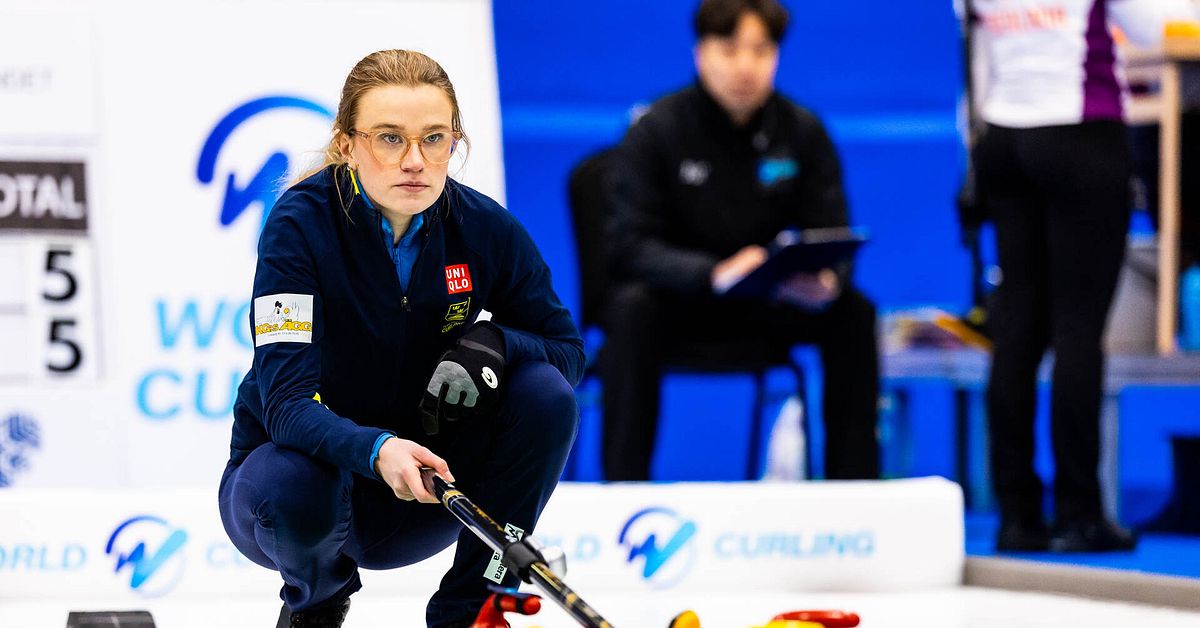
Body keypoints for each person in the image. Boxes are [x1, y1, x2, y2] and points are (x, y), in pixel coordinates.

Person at [217, 50, 584, 627]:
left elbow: (567, 353)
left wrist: (496, 344)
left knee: (546, 395)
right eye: (390, 138)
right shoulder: (298, 225)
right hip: (296, 491)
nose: (415, 161)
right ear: (347, 144)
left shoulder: (484, 227)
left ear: (454, 142)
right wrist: (378, 449)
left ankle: (473, 606)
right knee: (295, 483)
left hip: (424, 487)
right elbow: (285, 406)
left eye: (434, 139)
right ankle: (316, 606)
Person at [602, 0, 880, 482]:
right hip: (683, 304)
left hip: (772, 304)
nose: (746, 66)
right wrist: (712, 273)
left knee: (853, 312)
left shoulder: (803, 132)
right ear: (701, 53)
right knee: (630, 310)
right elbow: (627, 244)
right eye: (730, 49)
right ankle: (625, 491)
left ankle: (854, 491)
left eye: (761, 50)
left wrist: (827, 280)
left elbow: (833, 230)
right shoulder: (657, 130)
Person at [970, 0, 1195, 553]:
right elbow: (1156, 25)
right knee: (1078, 329)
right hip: (1078, 132)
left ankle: (1017, 515)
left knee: (1017, 330)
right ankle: (1078, 513)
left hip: (1003, 136)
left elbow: (974, 51)